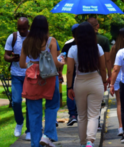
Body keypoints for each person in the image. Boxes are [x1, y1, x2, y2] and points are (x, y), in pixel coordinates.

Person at [19, 15, 63, 147]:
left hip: (32, 78)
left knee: (34, 112)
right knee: (52, 105)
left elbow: (21, 64)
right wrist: (62, 61)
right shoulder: (51, 41)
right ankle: (47, 135)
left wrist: (32, 65)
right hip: (48, 77)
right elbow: (55, 63)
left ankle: (35, 144)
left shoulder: (27, 42)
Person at [67, 22, 108, 147]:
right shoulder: (98, 48)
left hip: (80, 82)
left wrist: (69, 87)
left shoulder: (73, 49)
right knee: (93, 115)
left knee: (81, 116)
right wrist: (104, 81)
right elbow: (103, 68)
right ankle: (90, 141)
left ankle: (83, 142)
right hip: (95, 81)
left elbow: (70, 71)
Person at [5, 17, 31, 139]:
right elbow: (6, 55)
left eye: (24, 28)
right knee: (16, 101)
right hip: (16, 74)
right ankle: (19, 122)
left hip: (30, 74)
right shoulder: (13, 37)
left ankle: (29, 130)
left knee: (30, 103)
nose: (21, 31)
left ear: (28, 27)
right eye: (19, 28)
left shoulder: (33, 37)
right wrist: (11, 58)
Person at [109, 28, 124, 139]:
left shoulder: (114, 48)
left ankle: (121, 126)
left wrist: (110, 78)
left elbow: (112, 64)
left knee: (119, 103)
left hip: (117, 76)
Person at [61, 24, 81, 127]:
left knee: (70, 92)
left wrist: (60, 71)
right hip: (84, 74)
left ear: (72, 34)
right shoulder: (88, 44)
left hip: (72, 73)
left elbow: (61, 60)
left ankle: (72, 115)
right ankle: (80, 114)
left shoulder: (67, 45)